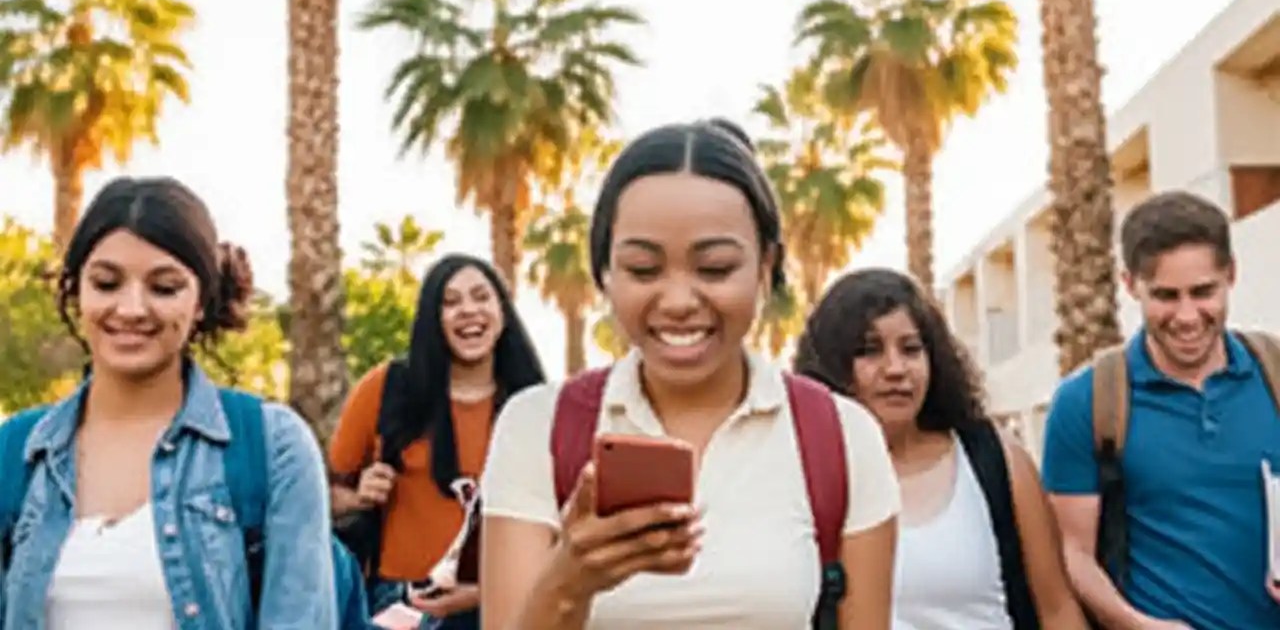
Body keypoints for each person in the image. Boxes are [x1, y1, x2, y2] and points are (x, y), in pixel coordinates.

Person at [478, 119, 901, 629]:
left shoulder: (842, 436)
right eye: (643, 269)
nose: (678, 301)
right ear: (605, 272)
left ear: (766, 266)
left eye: (715, 268)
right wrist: (569, 581)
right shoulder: (536, 427)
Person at [0, 176, 335, 629]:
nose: (131, 309)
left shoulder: (272, 447)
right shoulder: (16, 453)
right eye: (106, 283)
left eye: (164, 288)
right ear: (77, 289)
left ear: (202, 301)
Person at [793, 268, 1086, 630]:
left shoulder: (995, 460)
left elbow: (1057, 610)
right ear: (830, 366)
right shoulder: (805, 477)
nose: (896, 369)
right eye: (869, 351)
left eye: (911, 349)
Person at [1041, 190, 1280, 629]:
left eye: (1203, 292)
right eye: (1166, 296)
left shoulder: (1275, 374)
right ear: (1129, 284)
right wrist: (1136, 624)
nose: (1187, 316)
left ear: (1231, 274)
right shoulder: (1087, 402)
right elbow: (1070, 553)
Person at [328, 254, 545, 628]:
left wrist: (484, 592)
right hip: (405, 602)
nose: (468, 310)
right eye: (451, 302)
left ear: (503, 311)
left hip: (505, 600)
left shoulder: (534, 405)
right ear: (432, 318)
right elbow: (322, 495)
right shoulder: (387, 387)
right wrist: (358, 495)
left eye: (481, 297)